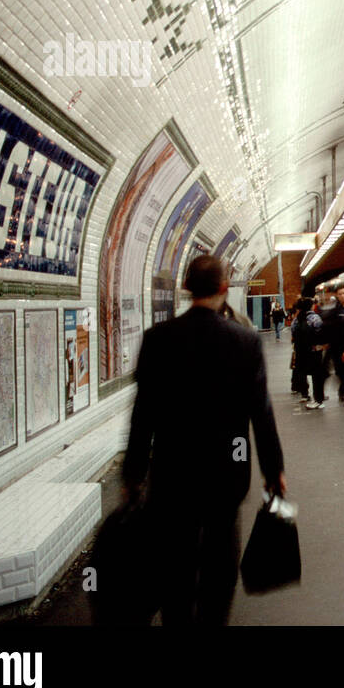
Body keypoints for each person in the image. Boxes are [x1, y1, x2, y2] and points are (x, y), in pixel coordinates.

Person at [123, 254, 286, 625]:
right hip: (225, 476)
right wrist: (273, 470)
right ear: (224, 288)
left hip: (171, 476)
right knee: (220, 559)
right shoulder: (244, 340)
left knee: (174, 563)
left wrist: (133, 476)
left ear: (185, 289)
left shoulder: (157, 340)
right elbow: (260, 412)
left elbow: (142, 415)